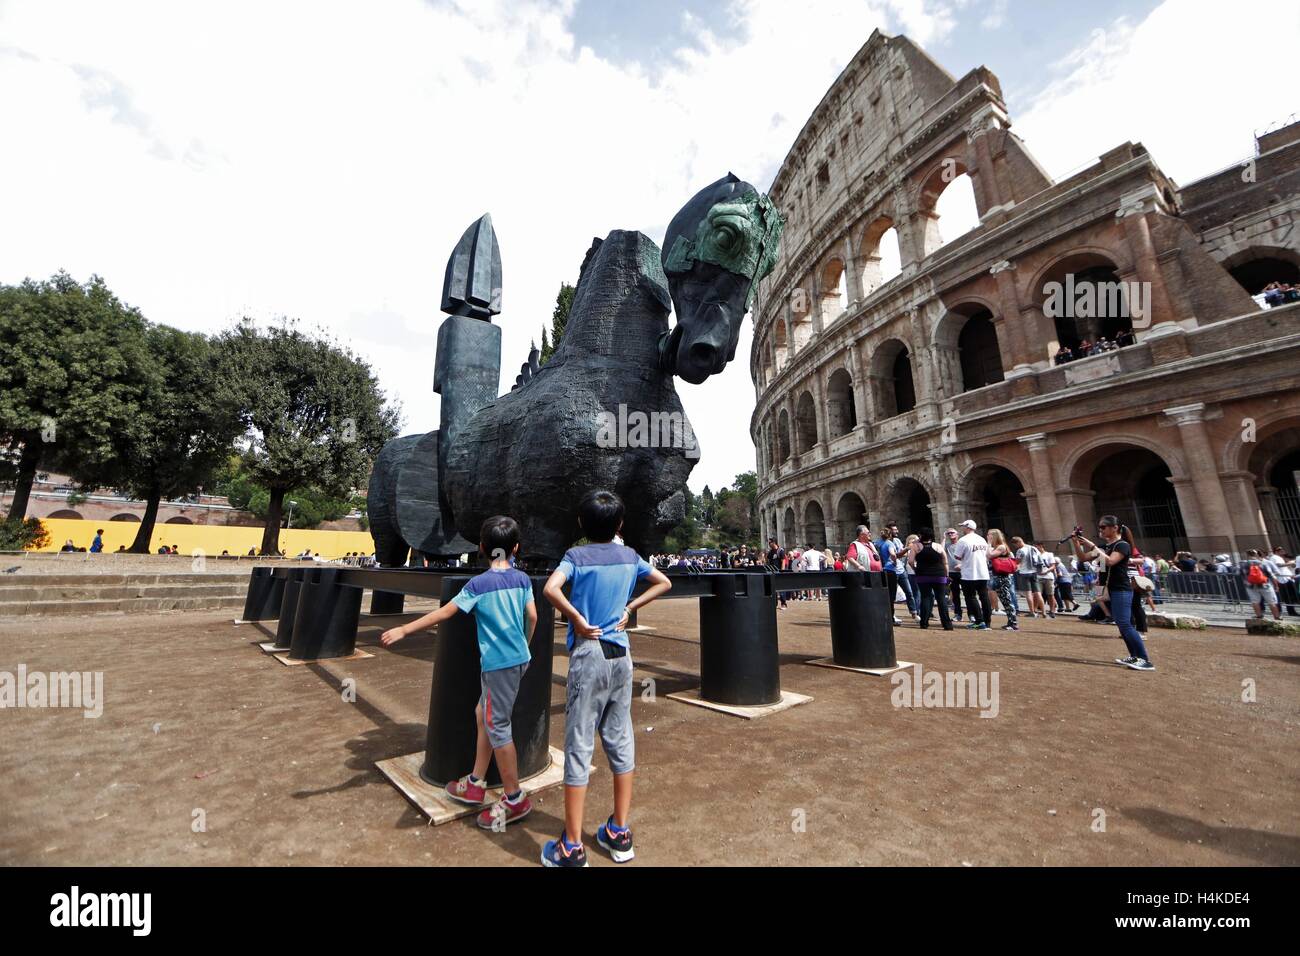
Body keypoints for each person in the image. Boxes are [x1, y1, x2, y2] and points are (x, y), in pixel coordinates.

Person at [541, 490, 672, 867]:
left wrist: (577, 619)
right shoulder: (631, 557)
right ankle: (619, 830)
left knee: (580, 742)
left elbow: (551, 588)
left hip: (589, 653)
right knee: (620, 737)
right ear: (619, 525)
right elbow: (663, 582)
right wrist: (630, 608)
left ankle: (571, 846)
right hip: (622, 654)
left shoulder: (576, 556)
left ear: (581, 524)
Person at [381, 516, 538, 829]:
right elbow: (532, 616)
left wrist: (405, 629)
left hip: (498, 666)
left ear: (481, 548)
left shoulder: (478, 585)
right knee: (484, 714)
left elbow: (446, 612)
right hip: (518, 660)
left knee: (498, 726)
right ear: (516, 548)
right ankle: (476, 782)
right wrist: (525, 647)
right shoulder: (522, 580)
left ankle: (514, 798)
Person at [1070, 517, 1154, 671]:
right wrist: (1076, 543)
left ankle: (1144, 659)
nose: (1100, 530)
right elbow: (1082, 558)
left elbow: (1110, 562)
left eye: (1103, 527)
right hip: (1112, 589)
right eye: (1099, 527)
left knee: (1125, 624)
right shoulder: (1105, 546)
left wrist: (1091, 544)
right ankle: (1134, 656)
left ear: (1114, 528)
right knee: (1122, 624)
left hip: (1122, 588)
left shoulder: (1122, 545)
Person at [907, 528, 953, 630]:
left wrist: (916, 569)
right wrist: (946, 575)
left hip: (923, 575)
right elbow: (945, 562)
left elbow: (910, 561)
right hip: (939, 574)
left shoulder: (916, 547)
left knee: (925, 598)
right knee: (941, 599)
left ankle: (924, 623)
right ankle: (947, 624)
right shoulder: (938, 546)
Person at [952, 519, 992, 630]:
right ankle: (987, 621)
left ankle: (979, 621)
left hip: (969, 572)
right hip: (983, 572)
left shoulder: (963, 540)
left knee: (970, 597)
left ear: (968, 527)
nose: (962, 528)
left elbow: (957, 556)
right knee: (984, 596)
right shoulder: (982, 539)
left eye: (963, 526)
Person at [986, 528, 1019, 631]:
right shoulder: (998, 547)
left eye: (989, 535)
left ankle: (1013, 622)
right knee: (1004, 599)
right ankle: (1011, 621)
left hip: (1003, 576)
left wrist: (988, 544)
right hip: (998, 576)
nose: (987, 536)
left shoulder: (1001, 546)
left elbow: (989, 555)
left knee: (1007, 599)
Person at [1239, 549, 1282, 621]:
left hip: (1251, 586)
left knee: (1255, 602)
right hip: (1265, 585)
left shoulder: (1243, 565)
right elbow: (1272, 575)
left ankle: (1259, 616)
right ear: (1256, 555)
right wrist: (1276, 585)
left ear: (1247, 555)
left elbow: (1239, 574)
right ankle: (1277, 617)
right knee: (1272, 602)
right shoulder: (1263, 563)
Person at [943, 527, 966, 623]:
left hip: (963, 572)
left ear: (957, 534)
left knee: (968, 594)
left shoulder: (962, 544)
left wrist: (962, 564)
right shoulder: (947, 545)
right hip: (952, 572)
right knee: (955, 595)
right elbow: (940, 549)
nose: (950, 534)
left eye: (952, 533)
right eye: (948, 533)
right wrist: (943, 538)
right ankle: (958, 614)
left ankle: (972, 614)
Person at [1268, 547, 1298, 617]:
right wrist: (1289, 564)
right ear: (1275, 551)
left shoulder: (1280, 557)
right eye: (1279, 550)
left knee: (1291, 596)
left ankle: (1291, 610)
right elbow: (1278, 565)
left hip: (1287, 578)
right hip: (1282, 580)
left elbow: (1282, 568)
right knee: (1288, 597)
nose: (1282, 551)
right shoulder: (1274, 557)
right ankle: (1291, 611)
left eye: (1282, 549)